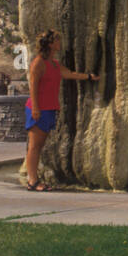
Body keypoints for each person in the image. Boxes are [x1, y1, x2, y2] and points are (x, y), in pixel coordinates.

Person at [24, 30, 99, 191]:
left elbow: (69, 74)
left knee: (39, 145)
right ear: (50, 44)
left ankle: (34, 178)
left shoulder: (54, 64)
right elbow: (33, 86)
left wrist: (88, 77)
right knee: (34, 146)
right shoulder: (38, 63)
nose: (60, 43)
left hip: (49, 108)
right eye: (57, 40)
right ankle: (32, 181)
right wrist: (36, 108)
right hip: (38, 109)